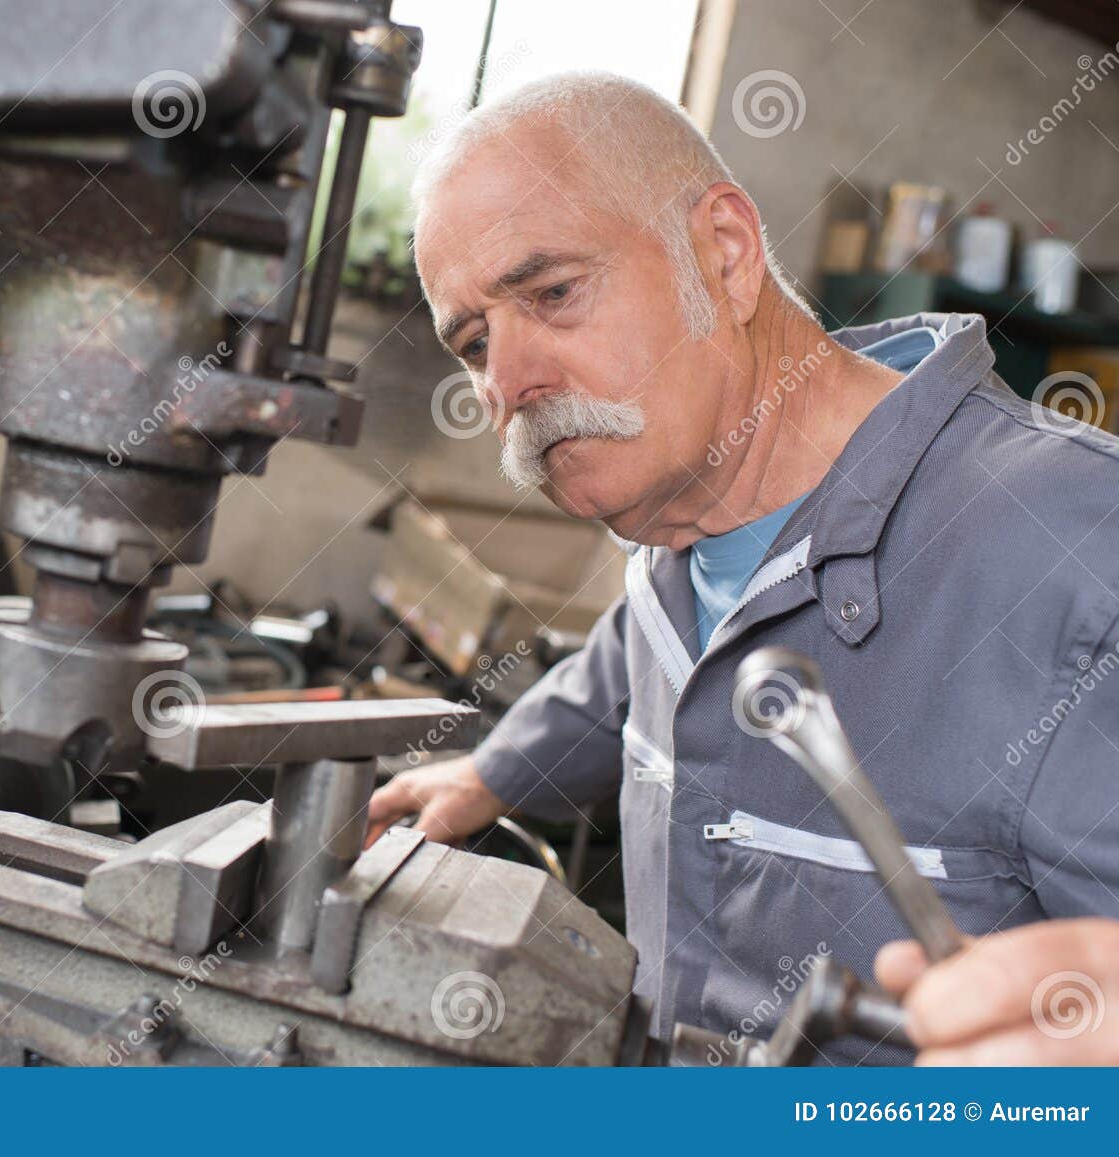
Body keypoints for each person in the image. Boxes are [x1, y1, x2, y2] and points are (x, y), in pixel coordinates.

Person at [372, 71, 1119, 1064]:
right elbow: (632, 665)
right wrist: (491, 771)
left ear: (721, 256)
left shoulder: (1078, 552)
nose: (505, 385)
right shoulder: (678, 524)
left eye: (550, 292)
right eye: (473, 341)